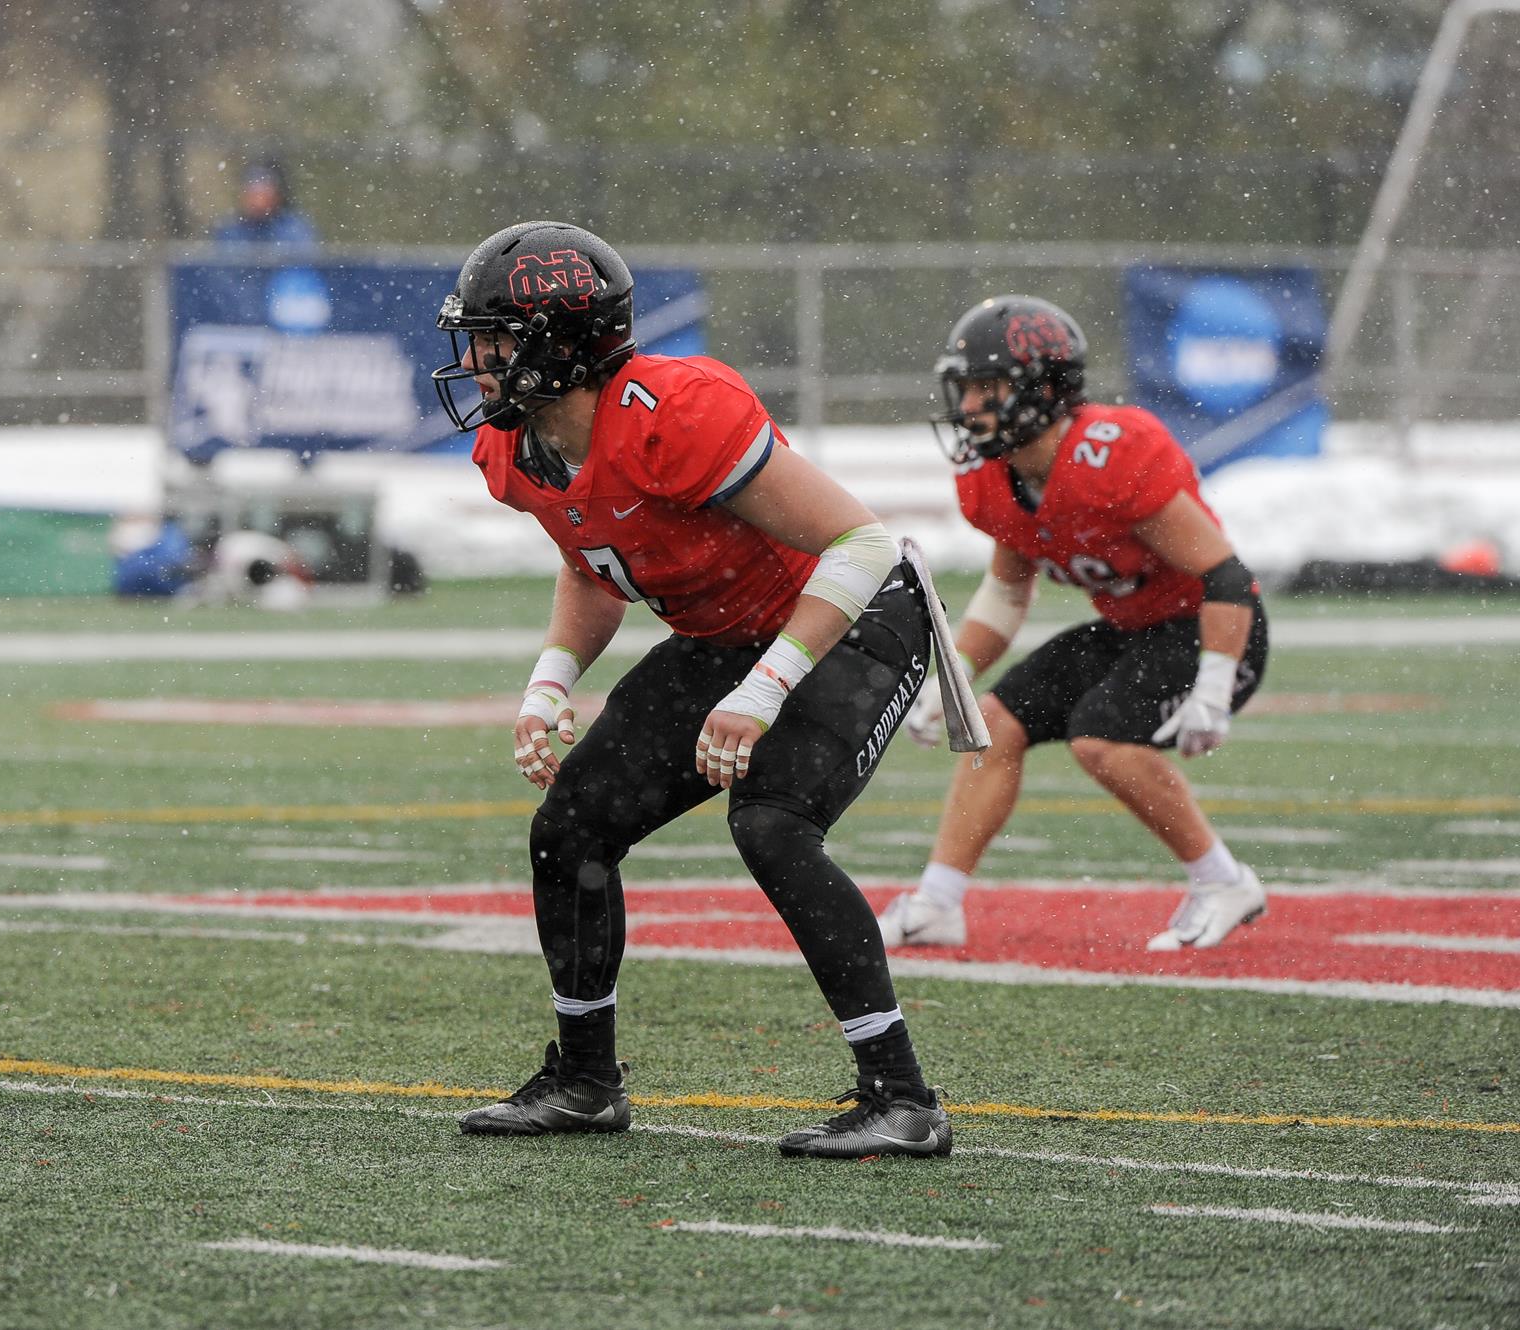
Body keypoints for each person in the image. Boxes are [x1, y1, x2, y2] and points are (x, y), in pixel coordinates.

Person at [433, 221, 977, 1159]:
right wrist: (549, 682)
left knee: (770, 822)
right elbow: (590, 561)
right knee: (572, 827)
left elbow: (863, 546)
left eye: (496, 337)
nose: (478, 359)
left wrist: (764, 690)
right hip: (728, 634)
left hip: (852, 613)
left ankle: (902, 1097)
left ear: (563, 342)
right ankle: (585, 1081)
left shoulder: (671, 412)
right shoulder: (517, 452)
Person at [883, 295, 1272, 953]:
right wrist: (947, 679)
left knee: (1103, 740)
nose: (971, 405)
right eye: (968, 387)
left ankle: (1224, 881)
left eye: (987, 387)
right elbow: (1006, 596)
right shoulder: (995, 478)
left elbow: (1224, 575)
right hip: (1130, 627)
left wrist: (1213, 684)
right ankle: (937, 904)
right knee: (993, 724)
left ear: (1040, 389)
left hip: (1206, 626)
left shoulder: (1112, 455)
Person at [211, 159, 317, 249]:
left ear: (276, 197)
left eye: (263, 195)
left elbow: (304, 266)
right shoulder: (230, 230)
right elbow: (221, 267)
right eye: (252, 195)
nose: (257, 202)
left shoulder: (293, 229)